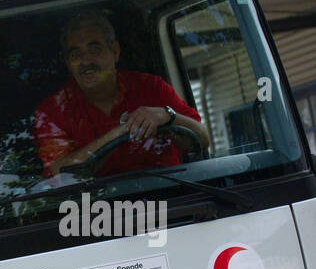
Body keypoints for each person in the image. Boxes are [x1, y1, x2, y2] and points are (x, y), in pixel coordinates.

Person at [33, 10, 211, 176]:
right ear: (67, 63)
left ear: (115, 52)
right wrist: (122, 131)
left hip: (175, 199)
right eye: (75, 54)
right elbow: (59, 174)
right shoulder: (52, 111)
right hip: (98, 207)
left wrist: (168, 116)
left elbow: (202, 140)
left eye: (94, 50)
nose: (85, 61)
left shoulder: (150, 87)